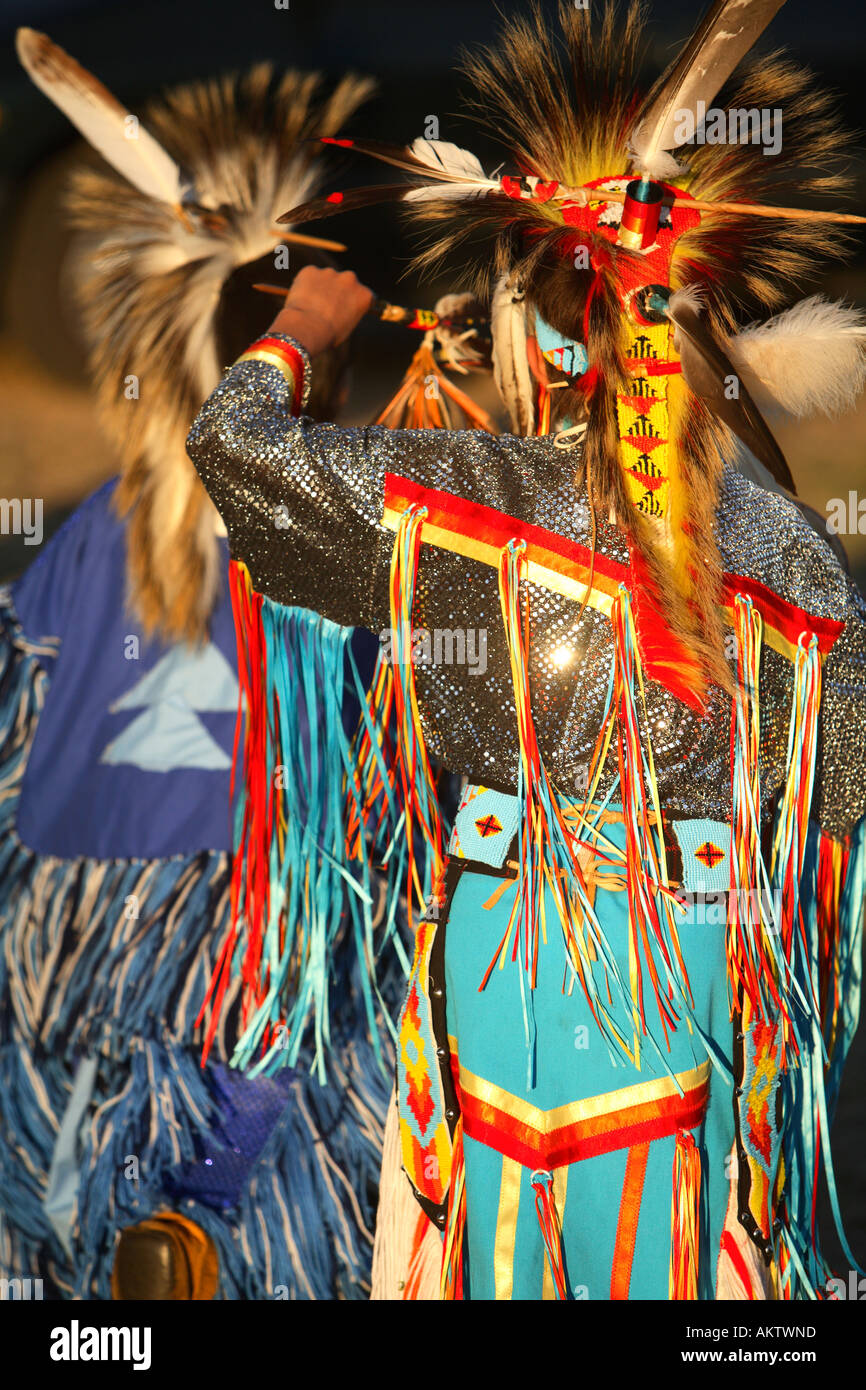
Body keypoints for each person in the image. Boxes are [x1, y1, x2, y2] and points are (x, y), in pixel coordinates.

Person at [187, 0, 866, 1301]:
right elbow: (840, 793)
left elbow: (241, 451)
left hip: (497, 970)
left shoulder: (473, 493)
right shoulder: (789, 555)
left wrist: (305, 336)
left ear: (553, 342)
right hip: (685, 984)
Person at [1, 31, 400, 1300]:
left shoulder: (85, 541)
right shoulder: (330, 543)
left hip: (69, 1004)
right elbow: (380, 801)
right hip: (260, 1007)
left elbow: (16, 768)